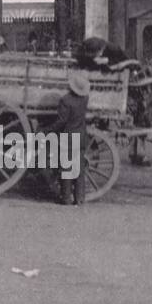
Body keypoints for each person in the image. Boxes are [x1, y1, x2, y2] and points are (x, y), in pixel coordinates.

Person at [50, 69, 90, 205]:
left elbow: (62, 121)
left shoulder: (65, 100)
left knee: (66, 168)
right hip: (81, 135)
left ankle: (66, 198)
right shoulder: (85, 98)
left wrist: (50, 130)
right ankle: (80, 199)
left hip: (68, 136)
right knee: (79, 169)